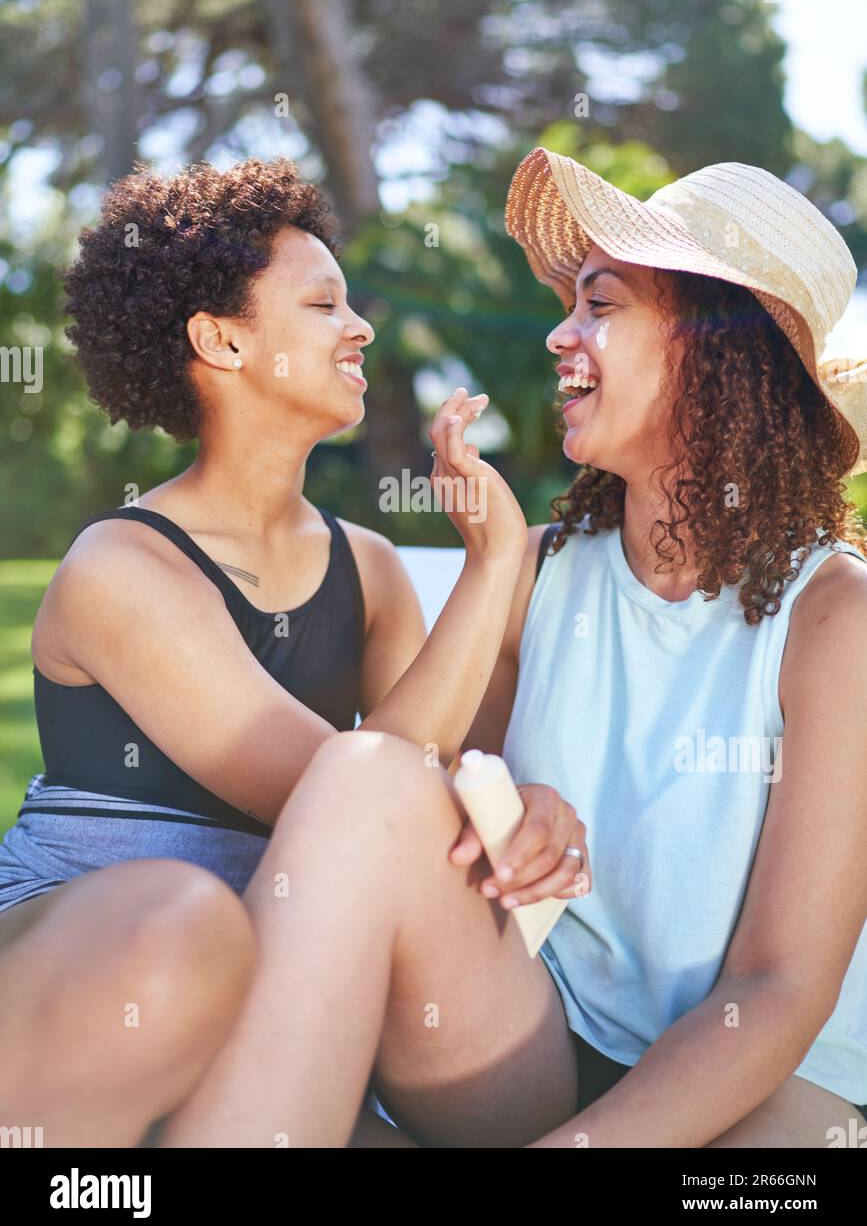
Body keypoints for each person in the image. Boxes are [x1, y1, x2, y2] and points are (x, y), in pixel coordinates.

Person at [159, 149, 867, 1148]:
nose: (560, 334)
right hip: (535, 1036)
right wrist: (505, 803)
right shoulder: (536, 571)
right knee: (368, 768)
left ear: (721, 349)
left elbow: (778, 987)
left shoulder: (835, 617)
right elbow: (406, 808)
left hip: (760, 1077)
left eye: (602, 306)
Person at [0, 155, 584, 1148]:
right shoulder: (122, 567)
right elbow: (342, 790)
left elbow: (426, 819)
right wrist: (488, 567)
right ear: (223, 340)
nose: (360, 328)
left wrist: (529, 808)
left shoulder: (372, 569)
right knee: (188, 918)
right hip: (106, 953)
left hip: (291, 987)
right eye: (324, 305)